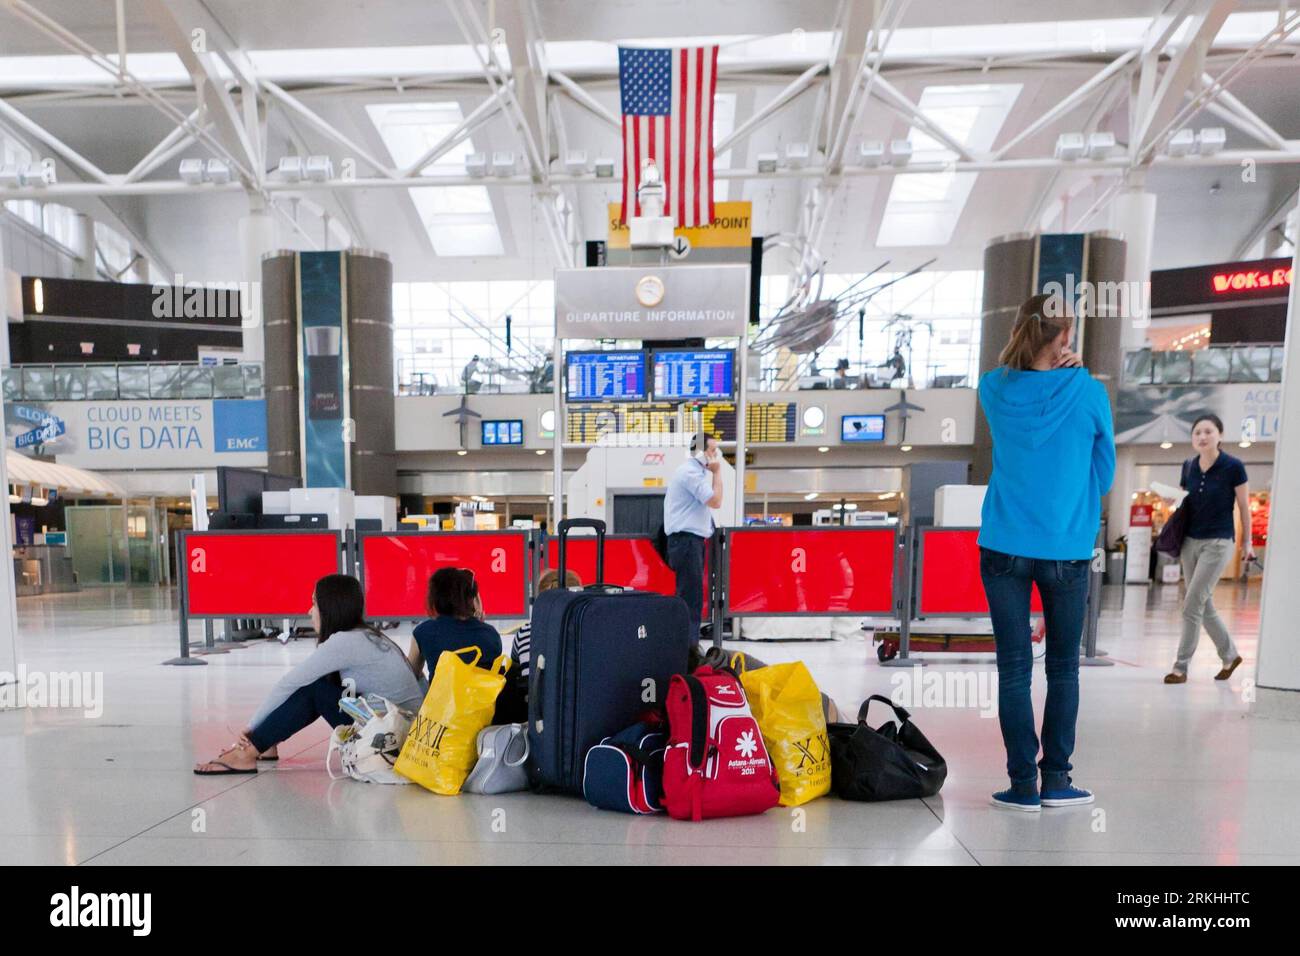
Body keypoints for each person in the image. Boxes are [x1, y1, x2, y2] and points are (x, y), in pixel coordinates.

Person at [977, 292, 1115, 812]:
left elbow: (1011, 374)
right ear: (1062, 339)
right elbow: (1105, 471)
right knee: (1063, 667)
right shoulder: (1089, 392)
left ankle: (1021, 786)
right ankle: (1056, 780)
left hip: (1003, 545)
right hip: (1068, 548)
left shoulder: (992, 389)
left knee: (1013, 668)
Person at [193, 574, 425, 775]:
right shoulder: (368, 636)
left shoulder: (345, 642)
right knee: (323, 685)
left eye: (314, 603)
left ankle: (246, 752)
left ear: (330, 609)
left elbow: (289, 683)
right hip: (406, 730)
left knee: (315, 691)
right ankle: (264, 743)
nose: (309, 611)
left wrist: (251, 729)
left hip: (397, 737)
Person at [1163, 414, 1251, 685]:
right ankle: (1230, 654)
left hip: (1219, 542)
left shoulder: (1233, 466)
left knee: (1191, 604)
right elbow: (1183, 502)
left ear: (1220, 435)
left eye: (1208, 431)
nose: (1202, 436)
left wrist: (1247, 542)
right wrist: (1172, 500)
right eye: (1197, 432)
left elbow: (1244, 507)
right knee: (1204, 603)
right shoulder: (1188, 465)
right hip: (1190, 540)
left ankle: (1181, 667)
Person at [494, 567, 581, 723]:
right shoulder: (587, 631)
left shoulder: (526, 631)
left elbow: (515, 665)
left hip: (536, 717)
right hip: (578, 714)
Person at [663, 433, 723, 635]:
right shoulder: (690, 473)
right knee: (690, 599)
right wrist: (717, 472)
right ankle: (688, 649)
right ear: (700, 451)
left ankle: (689, 646)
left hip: (690, 542)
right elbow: (716, 501)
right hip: (687, 542)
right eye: (713, 450)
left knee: (692, 596)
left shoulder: (693, 473)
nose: (716, 455)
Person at [408, 567, 502, 681]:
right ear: (472, 599)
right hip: (480, 698)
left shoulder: (423, 632)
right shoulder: (491, 635)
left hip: (441, 698)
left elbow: (411, 678)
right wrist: (480, 625)